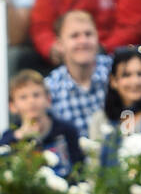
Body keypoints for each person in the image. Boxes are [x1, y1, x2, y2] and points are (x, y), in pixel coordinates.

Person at [0, 67, 83, 176]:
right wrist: (19, 136)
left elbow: (79, 169)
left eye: (36, 95)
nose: (31, 101)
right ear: (12, 106)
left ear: (48, 99)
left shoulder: (66, 130)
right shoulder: (11, 136)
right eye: (23, 97)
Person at [44, 8, 112, 138]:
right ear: (59, 45)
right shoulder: (49, 88)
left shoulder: (118, 73)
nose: (83, 41)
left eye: (88, 34)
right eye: (74, 36)